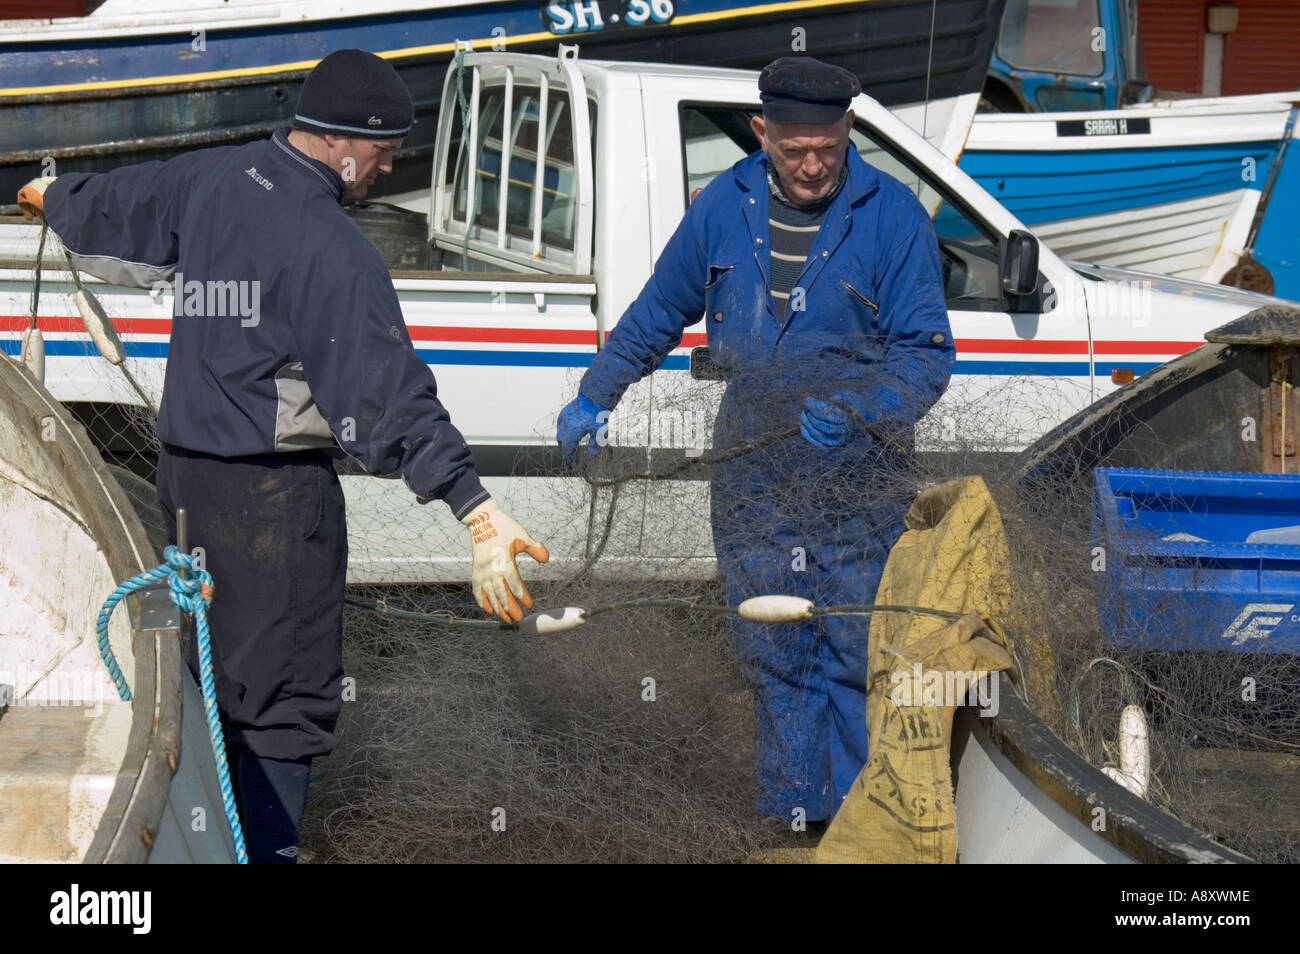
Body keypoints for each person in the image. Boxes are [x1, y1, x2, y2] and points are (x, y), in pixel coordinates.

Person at [18, 49, 548, 863]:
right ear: (343, 143)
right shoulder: (331, 247)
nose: (383, 170)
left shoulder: (215, 177)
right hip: (274, 504)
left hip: (186, 485)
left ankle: (202, 834)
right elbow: (384, 398)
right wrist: (473, 506)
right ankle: (262, 851)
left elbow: (118, 202)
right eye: (379, 154)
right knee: (285, 700)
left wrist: (54, 196)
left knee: (208, 674)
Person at [556, 57, 955, 827]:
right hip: (752, 467)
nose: (812, 167)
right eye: (794, 149)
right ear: (761, 132)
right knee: (772, 650)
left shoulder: (894, 216)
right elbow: (655, 311)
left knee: (850, 649)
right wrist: (594, 394)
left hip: (858, 477)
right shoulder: (723, 205)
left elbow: (926, 356)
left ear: (849, 134)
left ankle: (856, 825)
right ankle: (792, 820)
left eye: (828, 150)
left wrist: (862, 408)